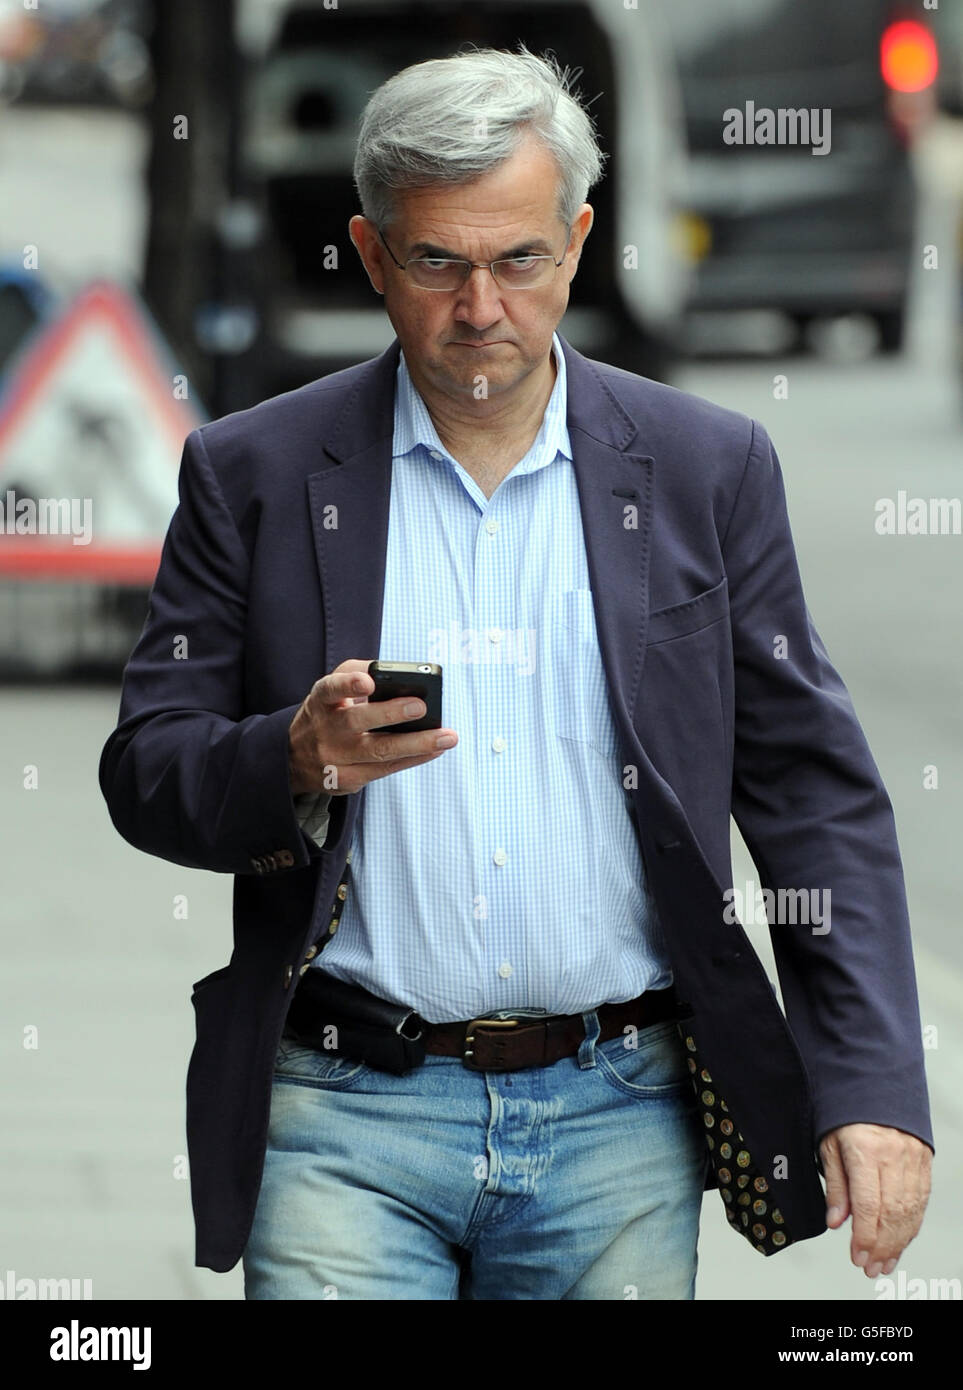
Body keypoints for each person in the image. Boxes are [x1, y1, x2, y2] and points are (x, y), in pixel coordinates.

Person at [99, 45, 933, 1300]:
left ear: (579, 240)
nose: (481, 306)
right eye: (437, 262)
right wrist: (291, 757)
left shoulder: (708, 471)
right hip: (344, 1119)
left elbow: (814, 794)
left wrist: (873, 1089)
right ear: (373, 254)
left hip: (619, 1123)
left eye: (518, 260)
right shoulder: (254, 473)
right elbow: (144, 766)